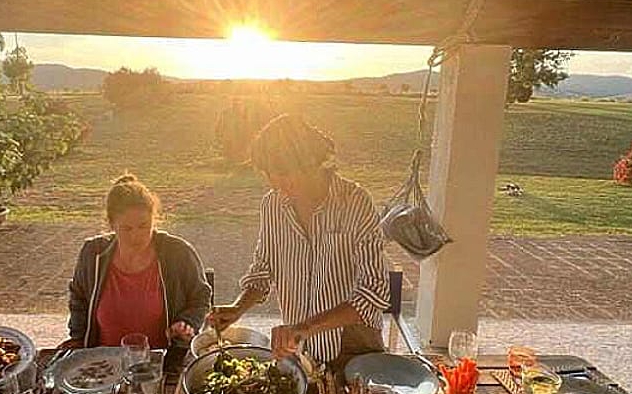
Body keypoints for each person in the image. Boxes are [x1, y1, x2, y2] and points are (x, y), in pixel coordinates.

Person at [210, 115, 390, 364]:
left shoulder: (355, 203)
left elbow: (375, 291)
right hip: (299, 346)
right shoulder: (272, 205)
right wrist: (237, 308)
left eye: (285, 174)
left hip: (352, 344)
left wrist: (305, 327)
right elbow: (263, 269)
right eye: (270, 174)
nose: (277, 184)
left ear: (312, 161)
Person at [67, 174, 211, 349]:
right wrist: (78, 338)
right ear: (112, 225)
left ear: (154, 219)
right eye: (126, 229)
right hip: (103, 360)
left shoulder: (177, 252)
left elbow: (201, 297)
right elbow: (78, 298)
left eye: (143, 226)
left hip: (164, 359)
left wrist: (188, 322)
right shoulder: (93, 253)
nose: (136, 236)